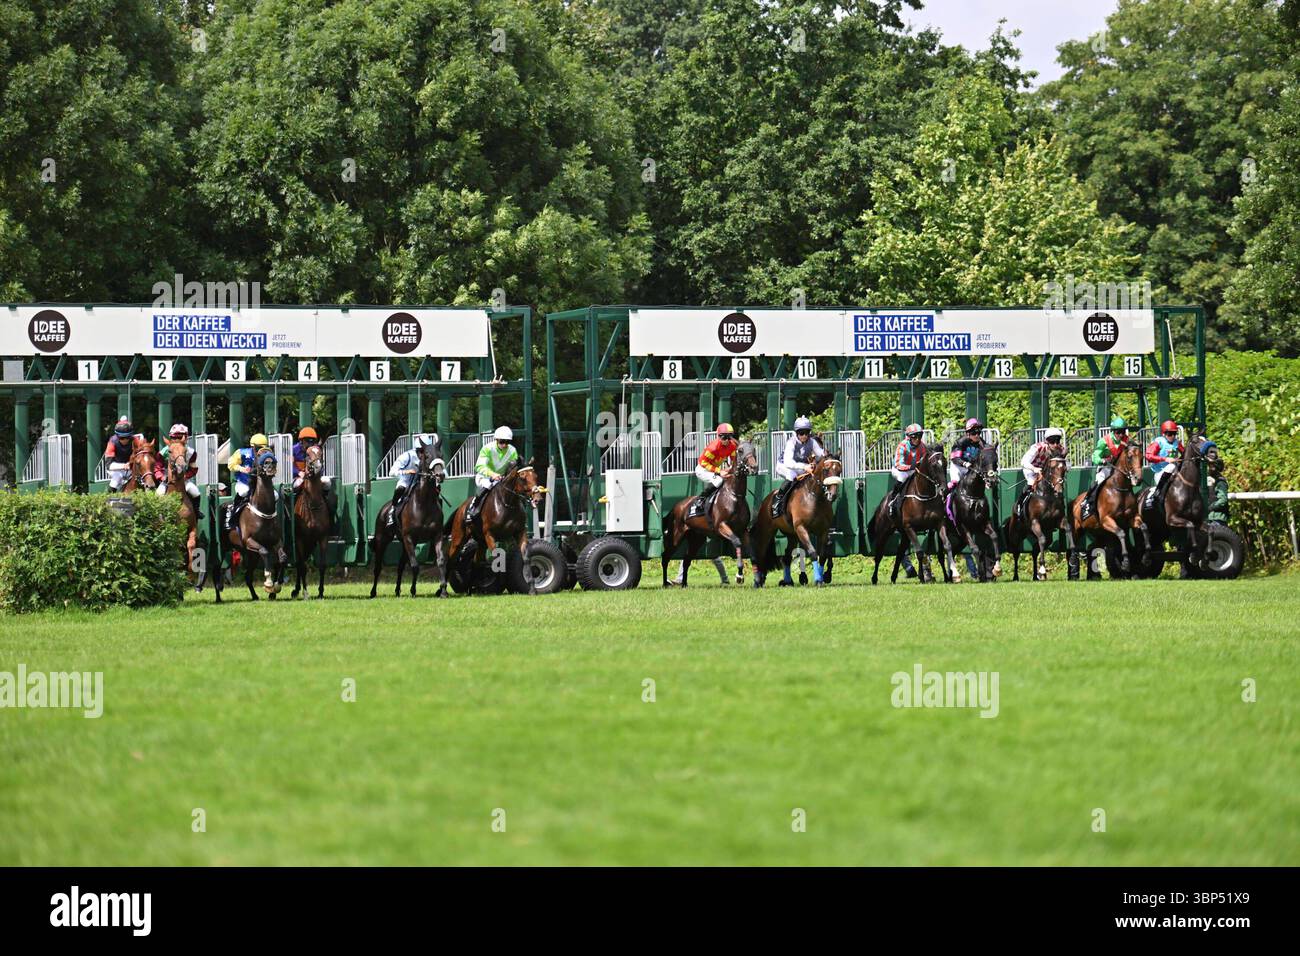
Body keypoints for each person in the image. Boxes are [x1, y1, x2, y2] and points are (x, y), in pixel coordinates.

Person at [772, 417, 824, 516]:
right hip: (784, 465)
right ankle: (777, 502)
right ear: (796, 433)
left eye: (807, 433)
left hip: (800, 466)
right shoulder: (791, 442)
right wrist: (805, 467)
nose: (804, 436)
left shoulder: (812, 441)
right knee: (792, 475)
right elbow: (788, 463)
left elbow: (821, 455)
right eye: (801, 433)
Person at [467, 426, 519, 523]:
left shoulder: (512, 451)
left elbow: (514, 467)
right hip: (484, 477)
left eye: (507, 442)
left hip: (502, 479)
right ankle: (472, 510)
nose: (504, 445)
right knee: (488, 485)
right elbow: (479, 466)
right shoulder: (487, 449)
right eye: (502, 442)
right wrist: (492, 474)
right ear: (496, 440)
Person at [1084, 416, 1132, 513]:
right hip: (1106, 468)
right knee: (1099, 481)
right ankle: (1088, 503)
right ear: (1113, 431)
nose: (1121, 434)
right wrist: (1102, 460)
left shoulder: (1127, 440)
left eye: (1122, 431)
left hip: (1120, 469)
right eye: (1118, 432)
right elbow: (1095, 456)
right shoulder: (1104, 441)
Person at [387, 433, 437, 526]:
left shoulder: (429, 457)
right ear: (417, 450)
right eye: (421, 451)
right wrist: (407, 471)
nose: (423, 454)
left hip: (421, 482)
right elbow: (392, 472)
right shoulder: (406, 456)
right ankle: (392, 510)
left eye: (425, 451)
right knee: (400, 489)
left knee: (436, 489)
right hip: (406, 481)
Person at [1015, 427, 1066, 514]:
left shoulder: (1060, 449)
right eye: (1052, 442)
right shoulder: (1037, 448)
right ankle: (1019, 506)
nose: (1055, 444)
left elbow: (1064, 464)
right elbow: (1023, 462)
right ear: (1047, 441)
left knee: (1057, 485)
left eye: (1057, 441)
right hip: (1031, 469)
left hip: (1046, 471)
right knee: (1031, 483)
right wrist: (1034, 469)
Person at [225, 433, 271, 529]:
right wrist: (242, 469)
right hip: (244, 482)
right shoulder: (241, 452)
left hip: (260, 484)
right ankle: (233, 513)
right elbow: (230, 464)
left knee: (275, 495)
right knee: (243, 492)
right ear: (253, 447)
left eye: (264, 448)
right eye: (259, 448)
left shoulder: (267, 456)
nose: (261, 451)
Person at [694, 422, 739, 516]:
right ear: (719, 436)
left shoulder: (732, 446)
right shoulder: (713, 448)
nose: (727, 440)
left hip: (714, 469)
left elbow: (733, 460)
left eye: (729, 437)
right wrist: (720, 471)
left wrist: (731, 469)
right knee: (718, 481)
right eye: (724, 437)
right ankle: (700, 499)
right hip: (703, 470)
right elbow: (703, 462)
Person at [159, 423, 202, 517]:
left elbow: (193, 468)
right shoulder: (164, 451)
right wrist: (161, 476)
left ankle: (196, 512)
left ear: (185, 438)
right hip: (166, 480)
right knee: (158, 493)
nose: (177, 440)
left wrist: (186, 476)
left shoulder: (191, 452)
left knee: (195, 491)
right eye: (174, 438)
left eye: (180, 437)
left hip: (184, 480)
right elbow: (157, 467)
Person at [886, 423, 927, 522]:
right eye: (914, 437)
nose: (917, 439)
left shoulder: (922, 446)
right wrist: (913, 467)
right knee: (903, 477)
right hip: (899, 470)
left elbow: (925, 458)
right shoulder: (902, 446)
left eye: (919, 436)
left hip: (913, 469)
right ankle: (893, 499)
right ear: (909, 437)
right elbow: (899, 465)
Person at [1145, 420, 1184, 491]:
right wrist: (1165, 459)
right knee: (1171, 466)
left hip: (1174, 471)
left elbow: (1185, 454)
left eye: (1174, 433)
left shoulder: (1176, 442)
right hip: (1159, 472)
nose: (1172, 436)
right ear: (1164, 434)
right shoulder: (1158, 442)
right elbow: (1148, 456)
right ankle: (1158, 491)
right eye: (1169, 434)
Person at [948, 418, 987, 488]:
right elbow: (955, 458)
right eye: (974, 433)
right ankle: (947, 496)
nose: (977, 435)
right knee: (955, 483)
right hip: (958, 467)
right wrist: (964, 463)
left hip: (970, 468)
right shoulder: (960, 442)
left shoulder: (982, 443)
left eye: (978, 433)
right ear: (968, 433)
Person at [292, 426, 333, 492]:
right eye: (307, 441)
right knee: (297, 484)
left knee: (327, 482)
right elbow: (289, 465)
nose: (310, 444)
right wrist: (298, 472)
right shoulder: (293, 450)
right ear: (301, 441)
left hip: (313, 477)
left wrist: (318, 473)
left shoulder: (315, 450)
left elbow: (320, 465)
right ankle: (290, 502)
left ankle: (324, 499)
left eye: (312, 441)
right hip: (298, 477)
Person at [103, 416, 137, 492]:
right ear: (117, 436)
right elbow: (109, 465)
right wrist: (123, 466)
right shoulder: (112, 442)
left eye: (127, 437)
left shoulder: (135, 440)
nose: (125, 440)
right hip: (116, 469)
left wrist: (130, 464)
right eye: (121, 438)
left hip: (131, 467)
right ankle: (110, 497)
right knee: (117, 477)